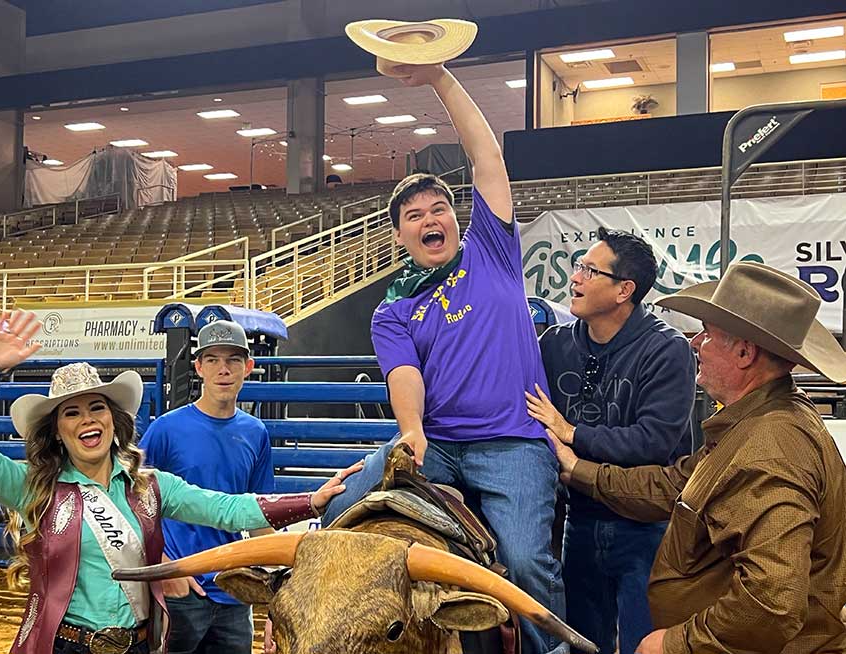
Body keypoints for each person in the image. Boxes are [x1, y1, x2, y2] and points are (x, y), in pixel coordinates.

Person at [0, 310, 360, 654]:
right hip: (66, 644)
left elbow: (228, 508)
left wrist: (312, 501)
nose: (87, 419)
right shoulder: (33, 486)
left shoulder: (150, 486)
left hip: (141, 644)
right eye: (71, 413)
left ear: (113, 420)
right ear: (57, 431)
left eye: (97, 408)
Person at [322, 62, 564, 653]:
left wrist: (439, 78)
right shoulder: (393, 308)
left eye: (439, 209)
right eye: (415, 216)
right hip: (439, 443)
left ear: (457, 219)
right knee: (337, 520)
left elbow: (487, 158)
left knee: (525, 561)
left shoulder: (491, 250)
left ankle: (552, 650)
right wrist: (410, 431)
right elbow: (403, 373)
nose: (430, 220)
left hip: (512, 442)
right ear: (399, 235)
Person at [548, 262, 846, 654]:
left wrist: (674, 644)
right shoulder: (755, 422)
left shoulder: (770, 448)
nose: (695, 343)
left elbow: (771, 602)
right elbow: (677, 485)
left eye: (707, 334)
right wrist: (579, 471)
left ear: (744, 352)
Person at [525, 227, 696, 654]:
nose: (575, 277)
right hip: (579, 521)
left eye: (589, 270)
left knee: (646, 644)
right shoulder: (553, 345)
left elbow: (653, 441)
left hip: (647, 525)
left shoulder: (667, 349)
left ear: (624, 290)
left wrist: (573, 433)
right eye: (578, 266)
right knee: (583, 642)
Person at [139, 319, 273, 654]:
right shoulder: (166, 430)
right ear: (198, 367)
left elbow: (260, 520)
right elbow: (131, 501)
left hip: (233, 592)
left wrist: (276, 593)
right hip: (181, 590)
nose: (223, 369)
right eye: (212, 360)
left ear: (248, 367)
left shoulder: (256, 433)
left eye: (233, 360)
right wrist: (164, 568)